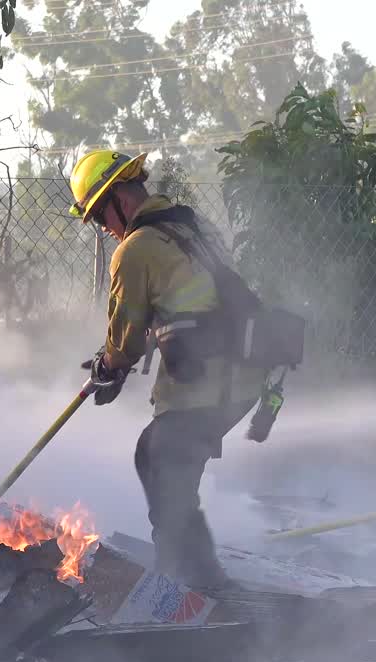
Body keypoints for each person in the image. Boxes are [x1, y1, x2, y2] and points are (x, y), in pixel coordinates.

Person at [68, 150, 266, 591]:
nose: (102, 224)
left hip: (208, 380)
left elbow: (126, 337)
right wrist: (117, 361)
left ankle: (186, 584)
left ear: (120, 195)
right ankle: (197, 573)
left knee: (165, 461)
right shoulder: (188, 228)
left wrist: (109, 365)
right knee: (158, 456)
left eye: (100, 212)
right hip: (243, 373)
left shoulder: (135, 249)